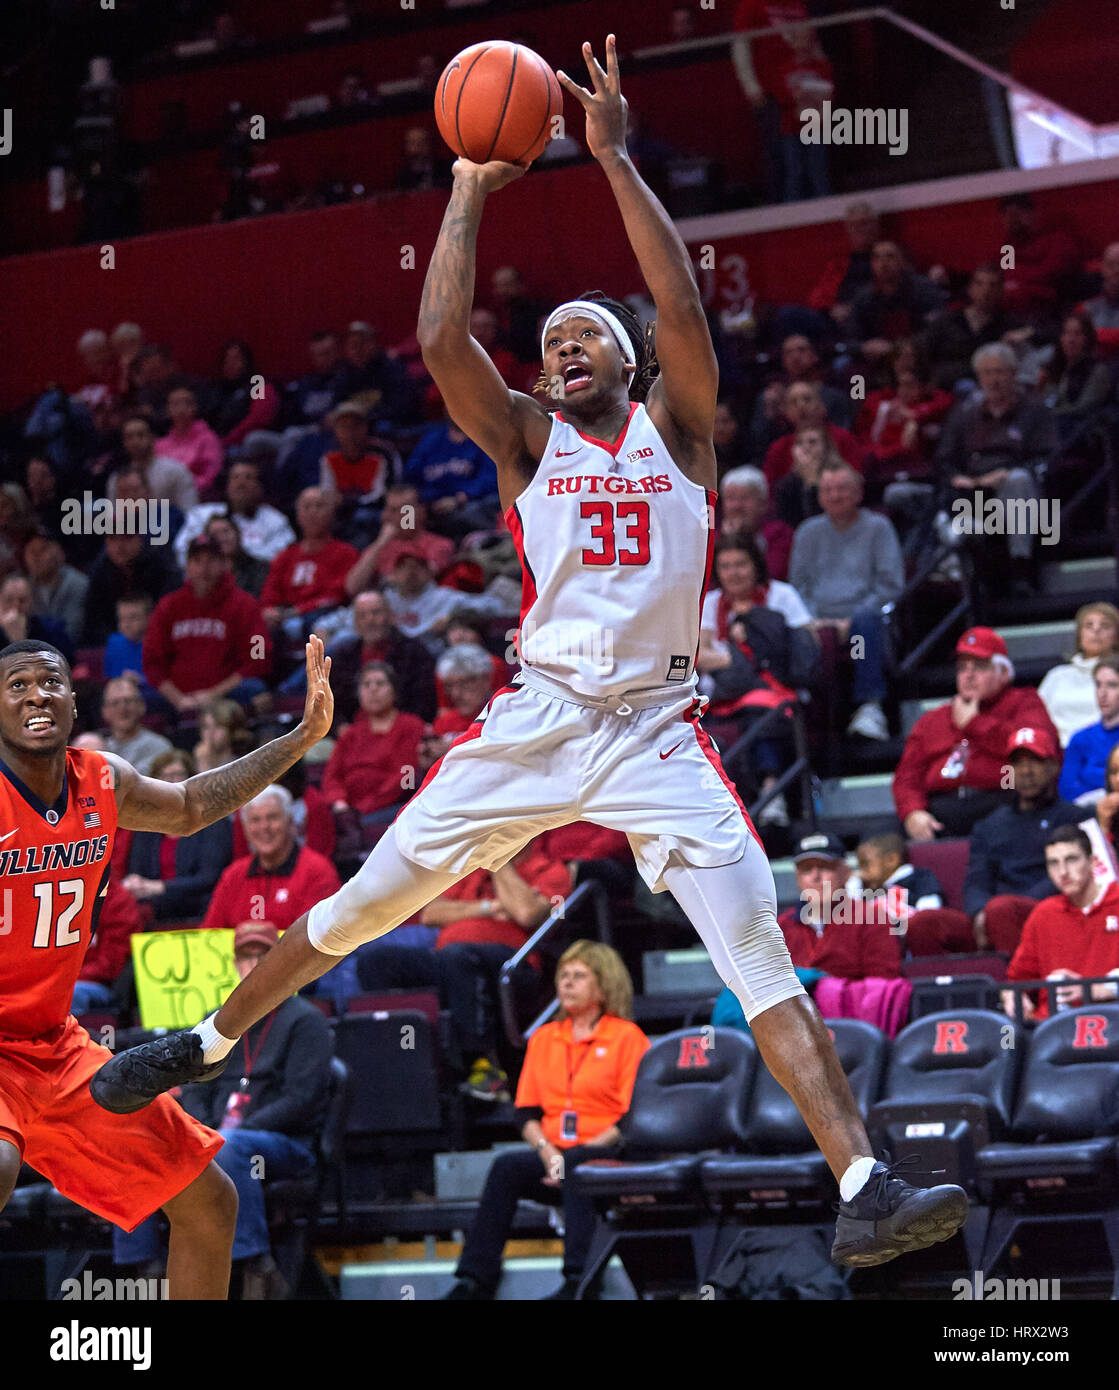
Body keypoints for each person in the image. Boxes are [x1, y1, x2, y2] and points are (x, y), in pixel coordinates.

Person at [94, 37, 968, 1268]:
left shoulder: (686, 431)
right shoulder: (523, 444)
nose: (562, 345)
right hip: (537, 716)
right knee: (361, 904)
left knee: (759, 944)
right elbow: (443, 334)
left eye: (585, 335)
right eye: (549, 337)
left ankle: (866, 1183)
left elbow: (677, 298)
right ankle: (215, 1040)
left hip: (661, 732)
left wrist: (611, 159)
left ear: (633, 362)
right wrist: (464, 184)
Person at [0, 633, 334, 1298]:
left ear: (73, 700)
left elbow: (191, 808)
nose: (37, 694)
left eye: (51, 683)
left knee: (211, 1201)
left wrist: (299, 738)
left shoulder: (101, 779)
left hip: (56, 1048)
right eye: (17, 685)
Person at [112, 919, 334, 1299]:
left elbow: (301, 1100)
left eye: (264, 955)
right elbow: (196, 1086)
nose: (254, 964)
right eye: (246, 957)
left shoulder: (307, 1020)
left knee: (231, 1145)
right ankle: (143, 1269)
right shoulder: (220, 1018)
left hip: (285, 1144)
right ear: (234, 965)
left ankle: (257, 1268)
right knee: (145, 1143)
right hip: (223, 1136)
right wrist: (201, 1130)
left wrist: (220, 1138)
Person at [443, 941, 649, 1300]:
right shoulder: (544, 1038)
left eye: (579, 976)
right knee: (506, 1167)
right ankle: (474, 1280)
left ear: (603, 986)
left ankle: (578, 1281)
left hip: (611, 1152)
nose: (567, 983)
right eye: (563, 976)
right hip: (554, 1154)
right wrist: (547, 1153)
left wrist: (574, 1155)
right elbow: (525, 1112)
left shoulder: (626, 1037)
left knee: (577, 1164)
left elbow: (634, 1117)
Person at [356, 833, 574, 1102]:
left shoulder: (552, 871)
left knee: (457, 958)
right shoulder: (470, 865)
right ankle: (398, 1057)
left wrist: (498, 861)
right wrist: (489, 907)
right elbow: (430, 914)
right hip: (449, 959)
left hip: (515, 963)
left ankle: (480, 1064)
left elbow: (526, 913)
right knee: (376, 960)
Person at [893, 627, 1061, 840]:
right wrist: (913, 812)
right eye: (962, 668)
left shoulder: (1025, 703)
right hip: (943, 807)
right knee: (886, 838)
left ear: (1004, 673)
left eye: (980, 667)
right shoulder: (933, 719)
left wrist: (976, 724)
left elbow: (1036, 750)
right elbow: (907, 775)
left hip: (1003, 798)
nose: (969, 675)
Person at [788, 461, 903, 741]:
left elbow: (890, 584)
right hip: (817, 620)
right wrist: (818, 621)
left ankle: (870, 707)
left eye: (842, 489)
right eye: (828, 490)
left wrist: (849, 621)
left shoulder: (878, 527)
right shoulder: (807, 532)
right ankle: (811, 724)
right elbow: (798, 588)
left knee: (862, 631)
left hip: (865, 619)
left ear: (858, 493)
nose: (835, 496)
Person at [936, 341, 1058, 598]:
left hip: (1020, 493)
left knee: (1019, 480)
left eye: (1000, 372)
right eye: (987, 373)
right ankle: (973, 587)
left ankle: (1020, 570)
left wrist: (1004, 474)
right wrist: (960, 478)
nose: (994, 379)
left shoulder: (1034, 412)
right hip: (974, 493)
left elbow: (1047, 458)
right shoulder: (963, 415)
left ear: (1014, 374)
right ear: (978, 377)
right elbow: (944, 460)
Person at [964, 725, 1089, 954]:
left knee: (1002, 909)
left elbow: (1077, 875)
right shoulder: (989, 824)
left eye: (1035, 761)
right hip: (996, 913)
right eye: (1018, 763)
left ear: (1053, 767)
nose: (1026, 771)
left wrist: (1009, 907)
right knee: (929, 923)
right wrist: (979, 912)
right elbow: (976, 880)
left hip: (1051, 908)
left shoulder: (1076, 817)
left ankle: (1018, 988)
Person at [143, 534, 273, 714]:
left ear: (224, 564)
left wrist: (213, 695)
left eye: (211, 560)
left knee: (255, 688)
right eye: (197, 561)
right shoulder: (168, 606)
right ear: (187, 565)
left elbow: (258, 658)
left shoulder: (245, 605)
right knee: (136, 698)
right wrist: (179, 699)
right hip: (177, 699)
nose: (204, 568)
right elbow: (152, 662)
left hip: (227, 694)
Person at [1002, 824, 1119, 1022]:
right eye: (1053, 863)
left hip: (1111, 1025)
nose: (1063, 872)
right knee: (1004, 1040)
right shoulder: (1044, 914)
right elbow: (1016, 981)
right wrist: (1013, 997)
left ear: (1093, 862)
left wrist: (1098, 989)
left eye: (1071, 860)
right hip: (1052, 1028)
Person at [200, 787, 341, 937]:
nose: (264, 827)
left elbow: (314, 940)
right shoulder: (233, 875)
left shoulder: (318, 871)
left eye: (272, 817)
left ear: (290, 822)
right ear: (245, 828)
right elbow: (209, 936)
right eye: (255, 820)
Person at [121, 749, 235, 923]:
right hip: (155, 915)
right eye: (164, 777)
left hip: (201, 913)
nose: (171, 783)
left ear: (191, 779)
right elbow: (137, 871)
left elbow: (210, 878)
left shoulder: (213, 820)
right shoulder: (144, 826)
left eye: (178, 775)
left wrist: (160, 887)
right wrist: (135, 883)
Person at [321, 662, 425, 839]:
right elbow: (332, 776)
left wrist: (362, 809)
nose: (373, 689)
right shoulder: (351, 734)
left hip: (391, 807)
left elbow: (404, 776)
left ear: (394, 691)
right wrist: (340, 803)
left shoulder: (410, 726)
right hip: (348, 811)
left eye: (380, 683)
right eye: (366, 684)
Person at [260, 487, 359, 645]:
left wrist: (299, 610)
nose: (312, 512)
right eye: (306, 507)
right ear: (298, 514)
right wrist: (269, 610)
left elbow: (338, 595)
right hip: (285, 619)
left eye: (319, 506)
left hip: (322, 618)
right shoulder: (286, 555)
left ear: (332, 512)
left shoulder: (345, 553)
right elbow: (270, 592)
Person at [321, 589, 437, 723]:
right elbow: (330, 705)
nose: (370, 620)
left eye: (376, 613)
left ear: (390, 616)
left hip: (402, 730)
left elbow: (423, 704)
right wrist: (341, 728)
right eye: (362, 615)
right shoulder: (341, 656)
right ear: (355, 622)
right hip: (353, 733)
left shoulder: (416, 653)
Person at [174, 459, 296, 569]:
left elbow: (282, 557)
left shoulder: (275, 520)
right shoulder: (202, 514)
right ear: (227, 486)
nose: (241, 484)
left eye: (248, 478)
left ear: (260, 487)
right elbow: (182, 550)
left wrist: (236, 558)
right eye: (235, 477)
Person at [922, 264, 1021, 393]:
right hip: (943, 390)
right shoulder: (948, 320)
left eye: (993, 285)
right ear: (970, 288)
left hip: (987, 391)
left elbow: (1042, 331)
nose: (986, 291)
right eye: (980, 284)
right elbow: (922, 351)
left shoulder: (1007, 324)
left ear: (1001, 290)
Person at [344, 481, 456, 592]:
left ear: (420, 512)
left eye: (402, 510)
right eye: (389, 509)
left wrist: (384, 580)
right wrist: (381, 542)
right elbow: (353, 587)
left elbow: (416, 579)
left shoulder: (440, 545)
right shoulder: (379, 548)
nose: (389, 516)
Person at [1038, 601, 1119, 747]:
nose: (1096, 630)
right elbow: (1037, 719)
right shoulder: (1056, 676)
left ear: (1116, 637)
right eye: (1089, 625)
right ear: (1079, 635)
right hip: (1055, 753)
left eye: (1105, 625)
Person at [715, 465, 794, 581]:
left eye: (745, 498)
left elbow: (771, 576)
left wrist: (739, 539)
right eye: (730, 498)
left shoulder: (780, 534)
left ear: (763, 503)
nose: (737, 506)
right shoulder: (712, 537)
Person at [109, 413, 199, 514]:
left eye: (141, 435)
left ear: (152, 437)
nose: (135, 441)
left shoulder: (176, 471)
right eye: (129, 437)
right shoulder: (116, 479)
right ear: (124, 442)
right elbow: (115, 518)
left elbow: (191, 513)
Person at [1058, 656, 1119, 804]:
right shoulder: (1080, 739)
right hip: (1084, 814)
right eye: (1098, 685)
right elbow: (1066, 790)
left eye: (1112, 685)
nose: (1102, 693)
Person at [157, 385, 224, 500]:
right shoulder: (160, 445)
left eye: (187, 403)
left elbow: (211, 476)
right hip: (163, 499)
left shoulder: (208, 439)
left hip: (196, 496)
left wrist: (184, 489)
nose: (181, 408)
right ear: (168, 409)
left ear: (195, 407)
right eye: (176, 404)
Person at [23, 530, 89, 647]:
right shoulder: (23, 587)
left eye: (42, 550)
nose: (36, 558)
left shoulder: (77, 584)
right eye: (32, 552)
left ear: (58, 552)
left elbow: (72, 633)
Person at [100, 675, 172, 774]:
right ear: (105, 712)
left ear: (142, 706)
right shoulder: (100, 749)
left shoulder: (160, 747)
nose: (122, 708)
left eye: (128, 701)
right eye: (115, 703)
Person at [193, 697, 253, 773]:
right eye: (206, 727)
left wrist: (204, 764)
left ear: (233, 730)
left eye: (218, 726)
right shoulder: (191, 764)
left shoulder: (245, 764)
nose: (211, 733)